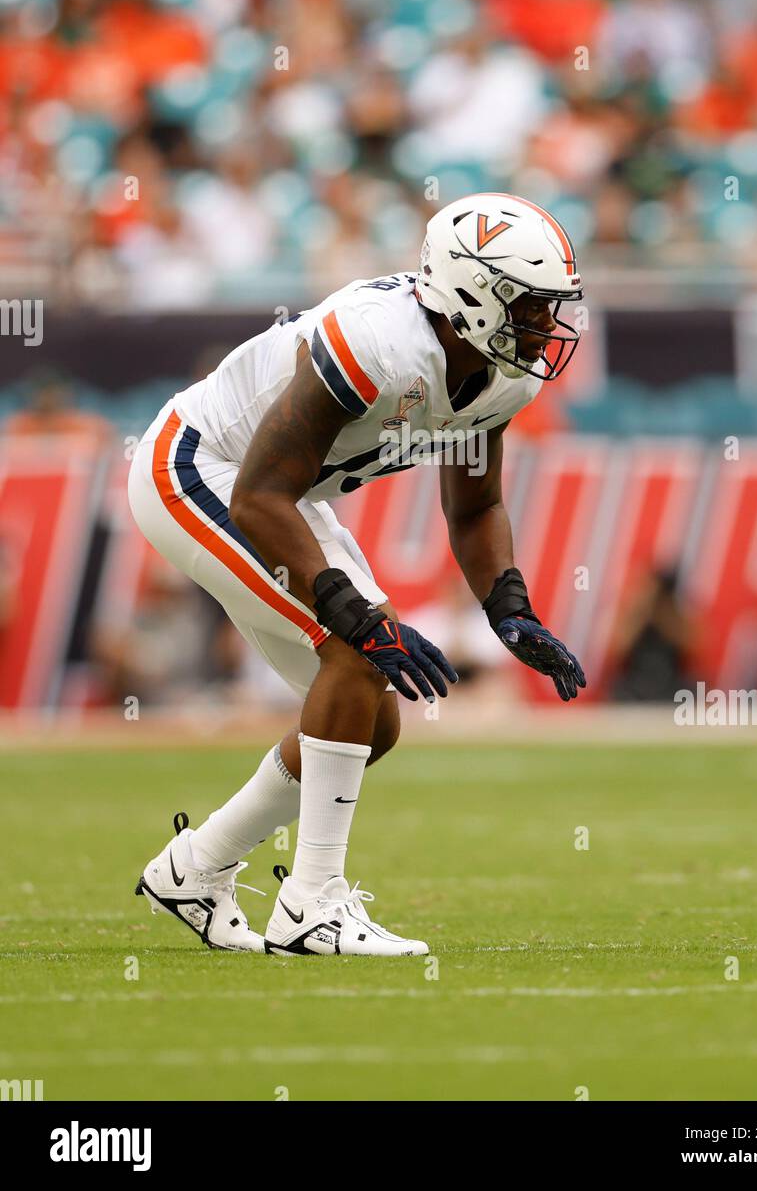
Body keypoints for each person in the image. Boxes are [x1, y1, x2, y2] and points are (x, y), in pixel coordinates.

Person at [127, 192, 587, 958]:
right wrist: (352, 611)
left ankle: (196, 868)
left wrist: (511, 610)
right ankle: (311, 906)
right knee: (356, 648)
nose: (546, 327)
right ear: (472, 295)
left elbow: (476, 505)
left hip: (275, 490)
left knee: (370, 721)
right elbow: (259, 495)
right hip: (200, 466)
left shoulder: (504, 377)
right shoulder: (378, 344)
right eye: (531, 306)